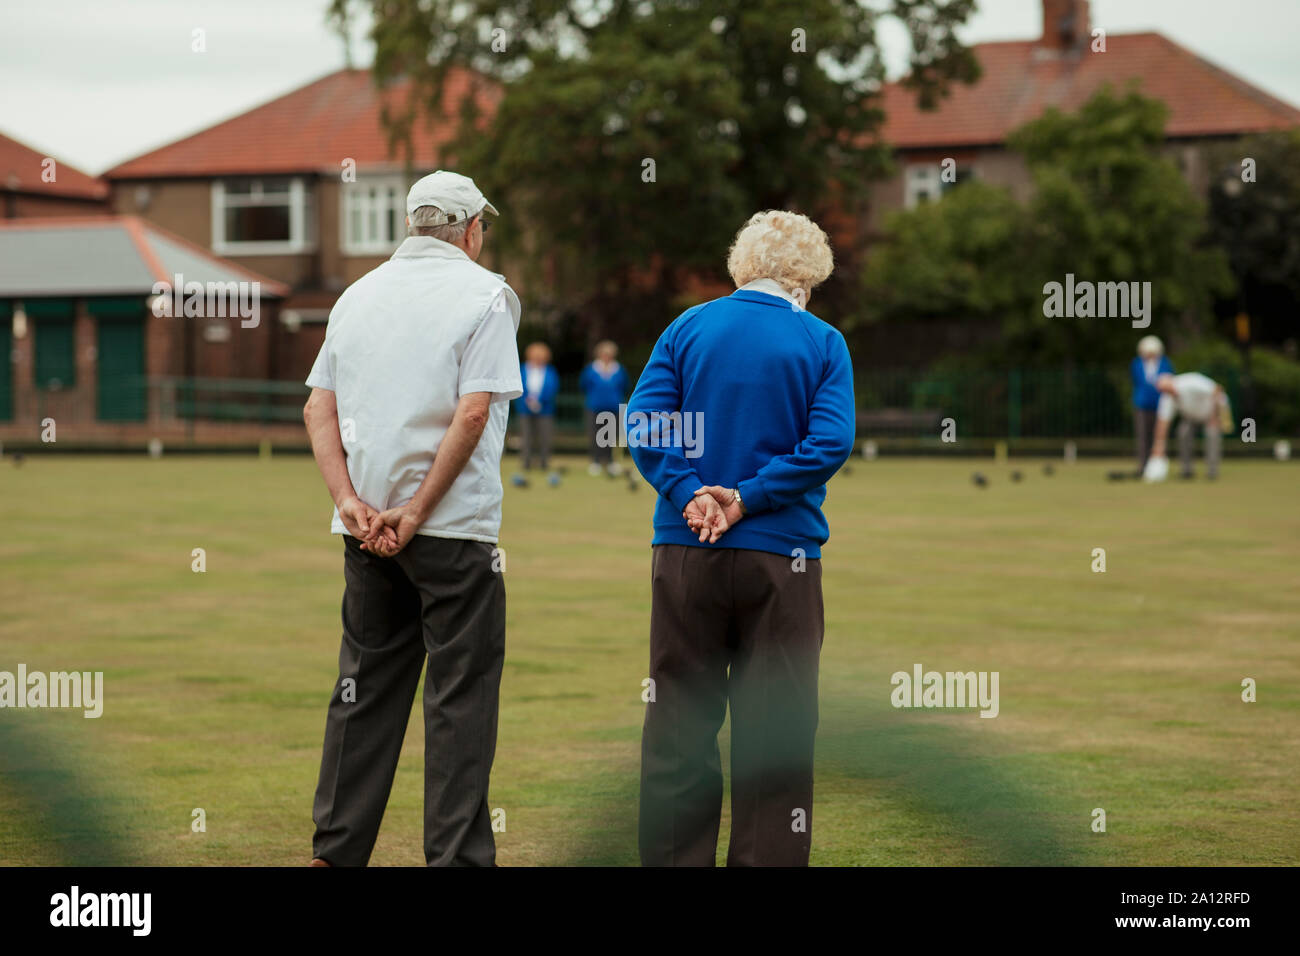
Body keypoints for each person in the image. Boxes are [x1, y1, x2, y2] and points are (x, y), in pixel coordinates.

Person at [301, 170, 522, 866]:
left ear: (412, 224)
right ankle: (455, 859)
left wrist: (349, 502)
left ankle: (334, 854)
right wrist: (418, 509)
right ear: (471, 231)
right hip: (453, 532)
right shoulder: (487, 293)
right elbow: (475, 409)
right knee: (459, 702)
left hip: (364, 531)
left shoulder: (355, 295)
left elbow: (317, 408)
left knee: (361, 693)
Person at [626, 210, 856, 866]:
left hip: (685, 548)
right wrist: (748, 497)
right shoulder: (821, 341)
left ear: (742, 266)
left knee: (678, 727)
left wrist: (690, 491)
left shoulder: (686, 327)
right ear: (807, 278)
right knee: (776, 735)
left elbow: (645, 424)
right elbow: (830, 442)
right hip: (782, 557)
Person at [1143, 372, 1232, 482]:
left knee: (1212, 434)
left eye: (1166, 389)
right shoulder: (1167, 397)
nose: (1166, 392)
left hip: (1211, 412)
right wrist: (1159, 445)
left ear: (1171, 381)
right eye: (1163, 391)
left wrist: (1215, 417)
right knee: (1183, 433)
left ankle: (1212, 471)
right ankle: (1187, 470)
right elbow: (1163, 423)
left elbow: (1217, 390)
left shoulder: (1190, 382)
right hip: (1191, 416)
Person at [579, 340, 628, 476]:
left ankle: (611, 462)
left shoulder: (619, 370)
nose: (606, 356)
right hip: (594, 407)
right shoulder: (591, 370)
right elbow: (583, 385)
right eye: (604, 353)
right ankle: (595, 462)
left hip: (614, 407)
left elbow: (624, 386)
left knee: (611, 436)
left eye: (609, 354)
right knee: (595, 436)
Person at [514, 341, 560, 473]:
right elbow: (518, 385)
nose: (538, 358)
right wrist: (529, 400)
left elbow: (552, 388)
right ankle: (526, 462)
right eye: (536, 356)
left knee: (545, 436)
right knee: (526, 436)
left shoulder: (550, 371)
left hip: (545, 409)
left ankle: (544, 462)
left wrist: (540, 401)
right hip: (524, 408)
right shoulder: (522, 369)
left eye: (541, 356)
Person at [1130, 335, 1173, 474]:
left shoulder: (1165, 363)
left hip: (1160, 405)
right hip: (1142, 405)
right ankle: (1143, 466)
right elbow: (1138, 382)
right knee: (1143, 437)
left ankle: (1158, 466)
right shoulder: (1137, 364)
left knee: (1159, 437)